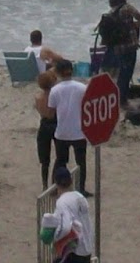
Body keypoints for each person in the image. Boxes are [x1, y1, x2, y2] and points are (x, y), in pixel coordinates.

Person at [48, 58, 89, 188]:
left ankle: (56, 186)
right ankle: (81, 188)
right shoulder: (83, 88)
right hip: (79, 131)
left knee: (60, 161)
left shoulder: (55, 90)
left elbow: (50, 113)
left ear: (58, 73)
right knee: (81, 162)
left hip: (62, 131)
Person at [105, 0, 140, 104]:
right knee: (127, 73)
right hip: (130, 46)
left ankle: (118, 96)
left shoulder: (111, 12)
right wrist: (135, 25)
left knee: (121, 73)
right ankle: (122, 99)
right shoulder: (127, 8)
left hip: (117, 48)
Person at [49, 165, 94, 263]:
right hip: (87, 247)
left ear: (56, 184)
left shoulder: (62, 201)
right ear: (71, 181)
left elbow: (64, 227)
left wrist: (55, 239)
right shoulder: (80, 197)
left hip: (75, 251)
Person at [34, 69, 58, 188]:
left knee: (44, 159)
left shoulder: (38, 97)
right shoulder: (54, 97)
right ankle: (54, 182)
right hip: (54, 124)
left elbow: (39, 110)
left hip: (43, 124)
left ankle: (44, 184)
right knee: (59, 155)